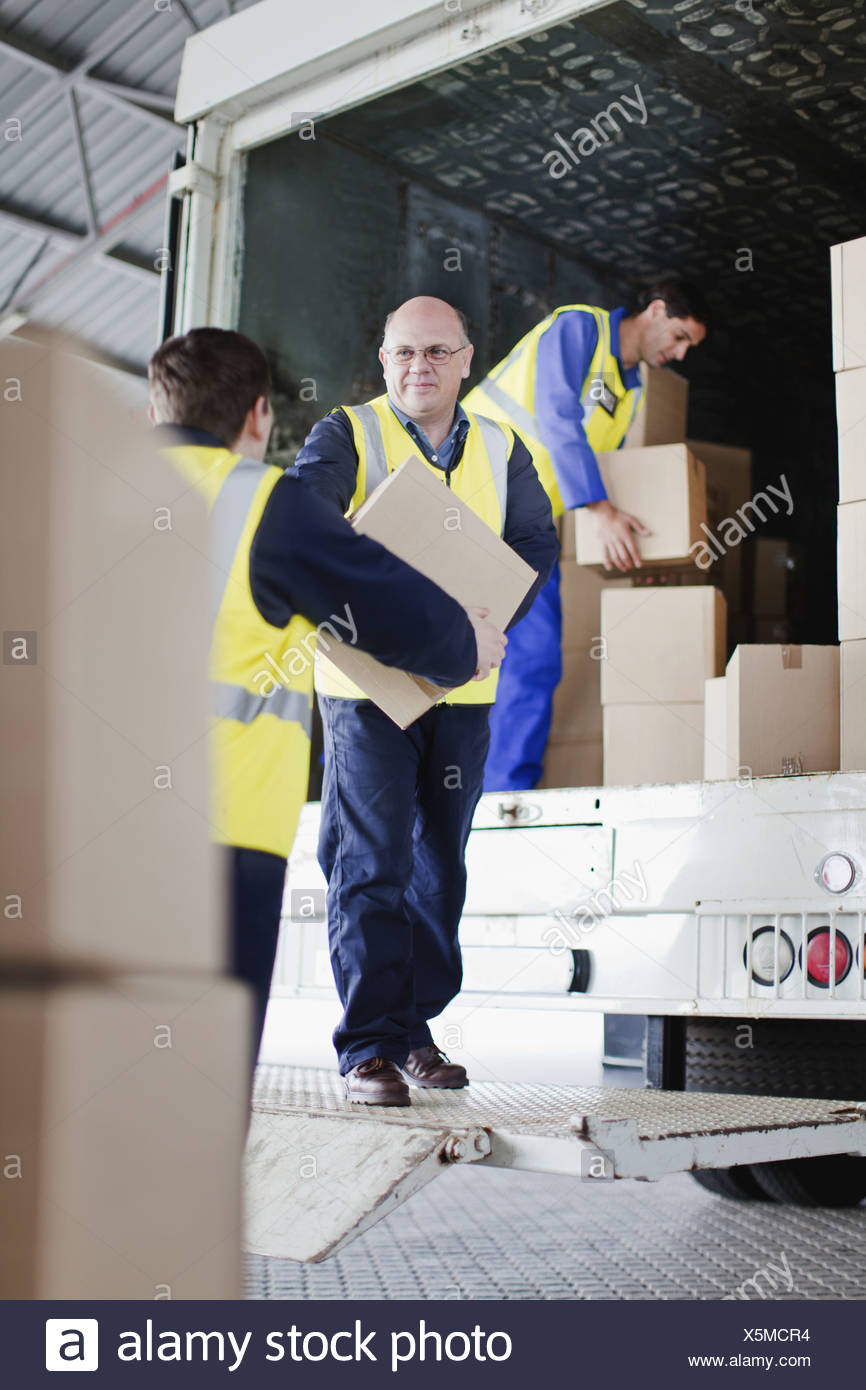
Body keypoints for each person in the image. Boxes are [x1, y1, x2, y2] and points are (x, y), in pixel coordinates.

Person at [147, 327, 507, 1078]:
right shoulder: (259, 505)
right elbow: (385, 604)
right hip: (221, 832)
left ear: (158, 407)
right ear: (257, 418)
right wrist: (465, 646)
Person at [293, 296, 558, 1105]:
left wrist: (490, 623)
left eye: (438, 353)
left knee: (441, 864)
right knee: (373, 860)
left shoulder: (504, 447)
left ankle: (415, 1030)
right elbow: (306, 518)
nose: (421, 368)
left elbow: (537, 541)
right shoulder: (348, 433)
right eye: (405, 353)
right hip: (364, 688)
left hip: (463, 690)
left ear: (467, 358)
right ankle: (369, 1045)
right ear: (383, 360)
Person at [463, 276, 710, 792]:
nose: (680, 353)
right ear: (658, 310)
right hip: (472, 496)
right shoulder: (579, 329)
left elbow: (586, 460)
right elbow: (556, 415)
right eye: (681, 336)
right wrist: (599, 509)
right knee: (443, 650)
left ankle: (504, 796)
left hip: (524, 528)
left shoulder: (629, 392)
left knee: (533, 662)